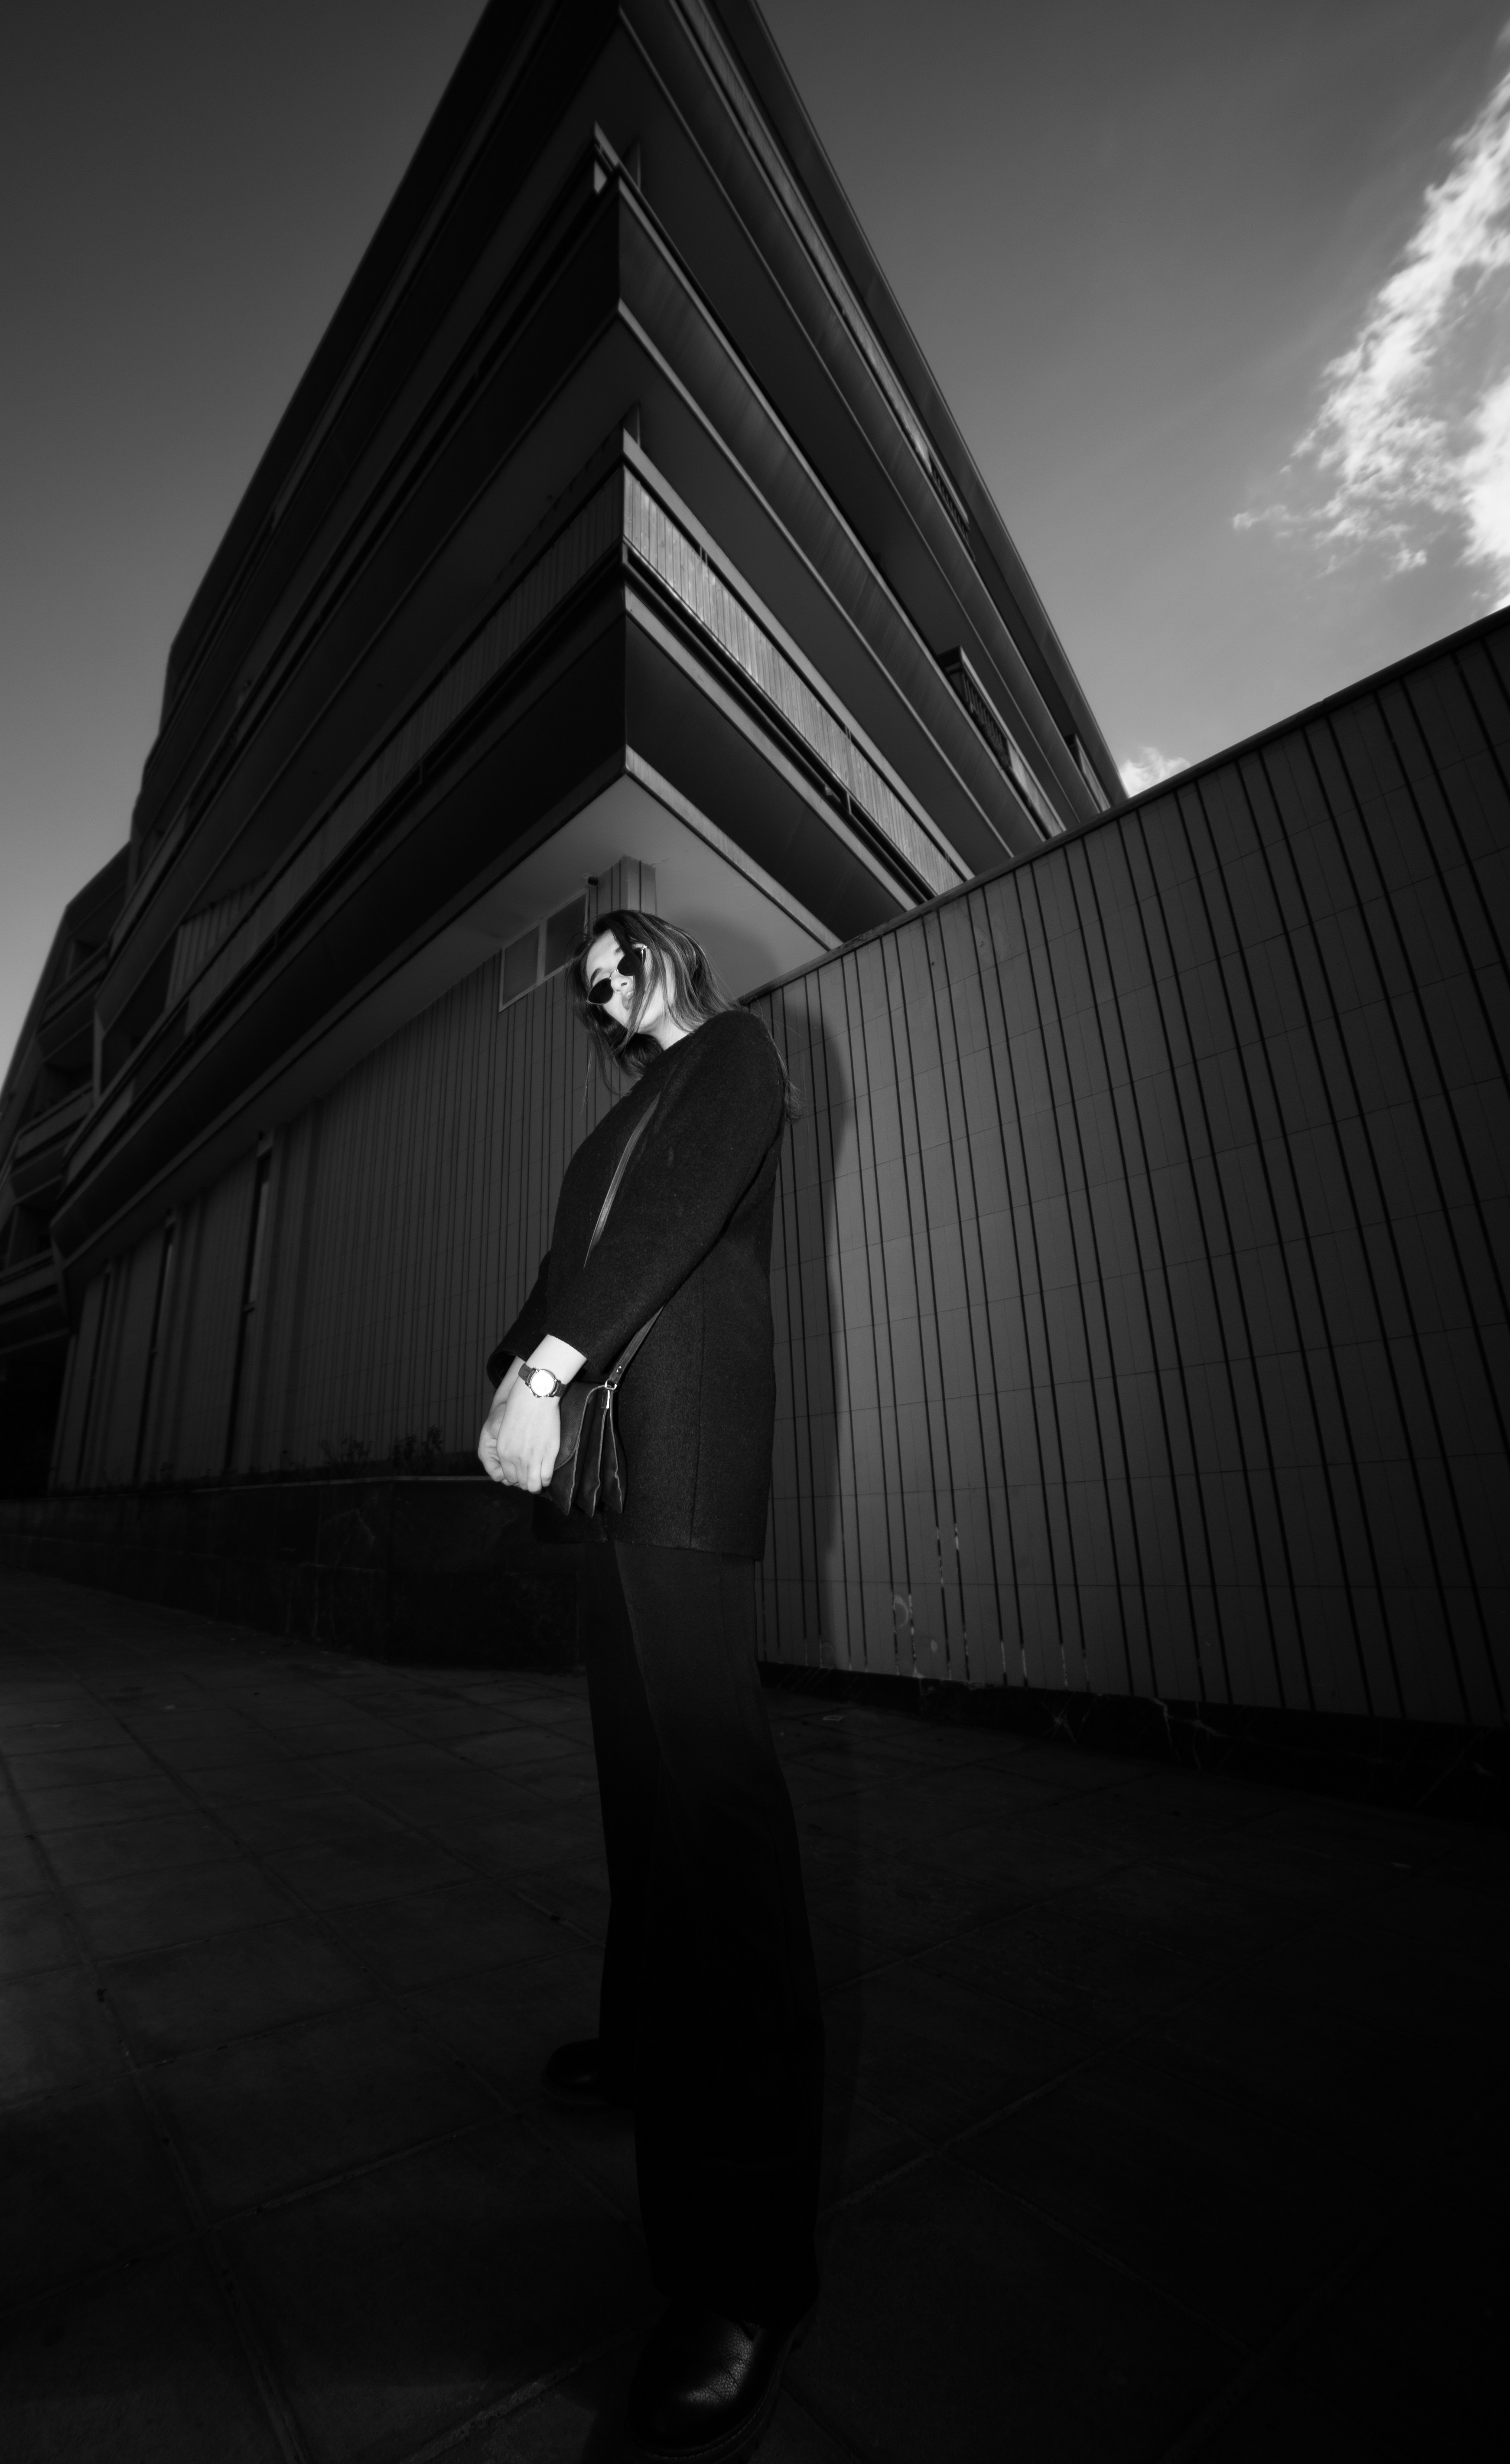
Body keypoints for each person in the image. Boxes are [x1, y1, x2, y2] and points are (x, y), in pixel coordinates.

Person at [478, 909, 823, 2464]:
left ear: (671, 955)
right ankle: (641, 2038)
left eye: (616, 955)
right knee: (637, 1788)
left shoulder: (738, 1059)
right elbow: (570, 1265)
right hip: (604, 1487)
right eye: (586, 984)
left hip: (681, 1466)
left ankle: (743, 2271)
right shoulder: (606, 1121)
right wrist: (502, 1373)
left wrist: (546, 1367)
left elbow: (666, 1229)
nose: (601, 986)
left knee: (717, 1827)